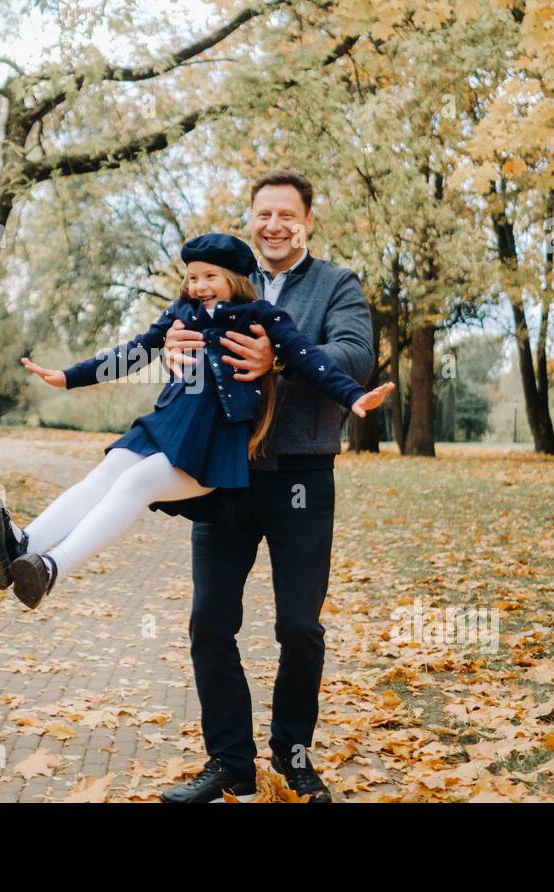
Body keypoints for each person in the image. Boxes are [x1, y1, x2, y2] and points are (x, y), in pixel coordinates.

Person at [0, 232, 393, 614]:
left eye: (210, 276)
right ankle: (23, 545)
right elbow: (136, 351)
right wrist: (69, 377)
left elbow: (309, 359)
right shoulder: (182, 312)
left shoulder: (262, 317)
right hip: (168, 422)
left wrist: (353, 395)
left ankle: (50, 568)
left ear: (236, 278)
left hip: (214, 442)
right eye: (192, 277)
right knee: (108, 472)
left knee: (134, 484)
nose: (199, 286)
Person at [158, 169, 377, 803]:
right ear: (251, 220)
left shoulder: (337, 284)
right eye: (264, 214)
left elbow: (356, 355)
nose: (275, 225)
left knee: (300, 628)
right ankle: (230, 761)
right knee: (209, 621)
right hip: (224, 475)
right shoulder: (224, 285)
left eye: (287, 214)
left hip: (302, 477)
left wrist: (279, 357)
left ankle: (293, 755)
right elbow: (181, 361)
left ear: (307, 221)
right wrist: (177, 352)